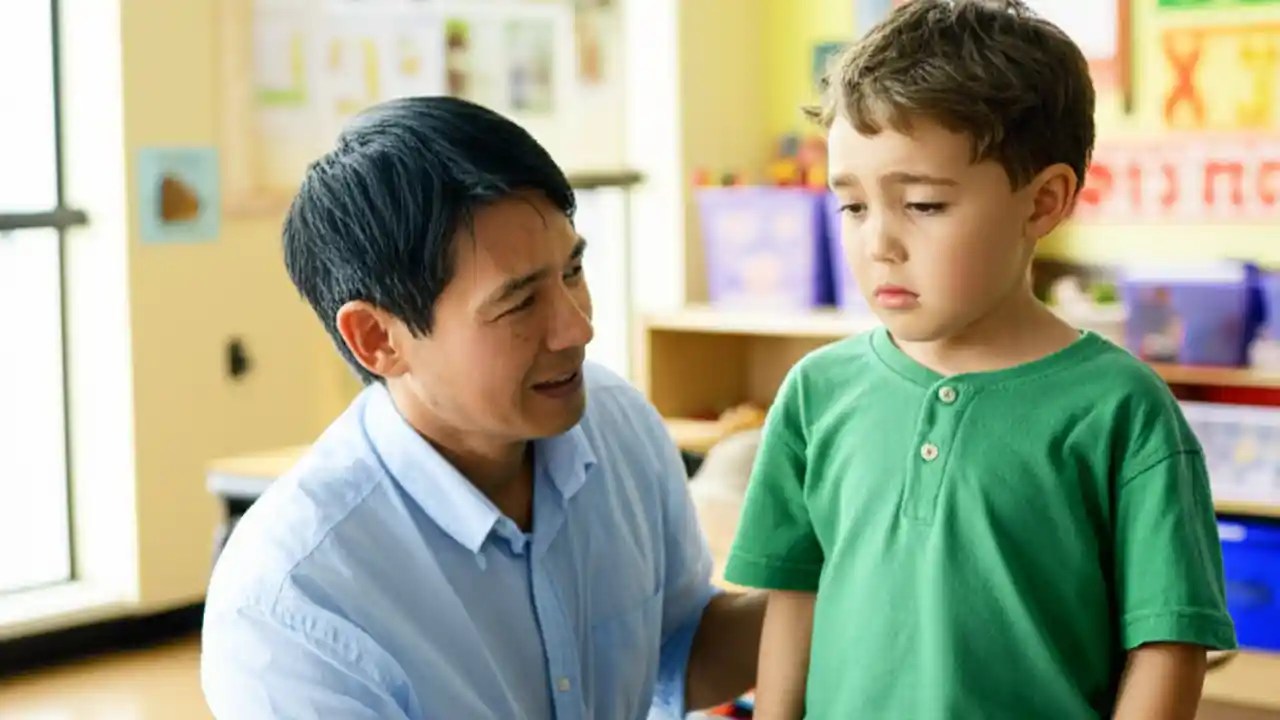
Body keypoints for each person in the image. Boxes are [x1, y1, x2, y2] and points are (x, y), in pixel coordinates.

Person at [723, 1, 1237, 718]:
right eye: (854, 207)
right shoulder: (817, 392)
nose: (879, 244)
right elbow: (793, 598)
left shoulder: (1123, 410)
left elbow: (1168, 647)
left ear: (1044, 202)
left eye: (924, 205)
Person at [201, 96, 764, 719]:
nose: (576, 329)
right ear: (377, 339)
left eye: (573, 271)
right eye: (519, 303)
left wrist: (859, 583)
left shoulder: (617, 423)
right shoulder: (293, 601)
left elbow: (677, 649)